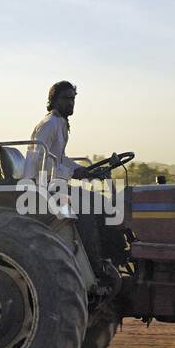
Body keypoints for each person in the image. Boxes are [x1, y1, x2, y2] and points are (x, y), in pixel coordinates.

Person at [22, 81, 111, 285]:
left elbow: (59, 158)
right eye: (66, 99)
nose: (71, 103)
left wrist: (85, 170)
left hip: (52, 183)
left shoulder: (60, 123)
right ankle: (93, 265)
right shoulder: (49, 124)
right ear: (53, 100)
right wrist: (73, 173)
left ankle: (104, 257)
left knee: (98, 200)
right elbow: (38, 161)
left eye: (73, 99)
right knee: (89, 205)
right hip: (40, 186)